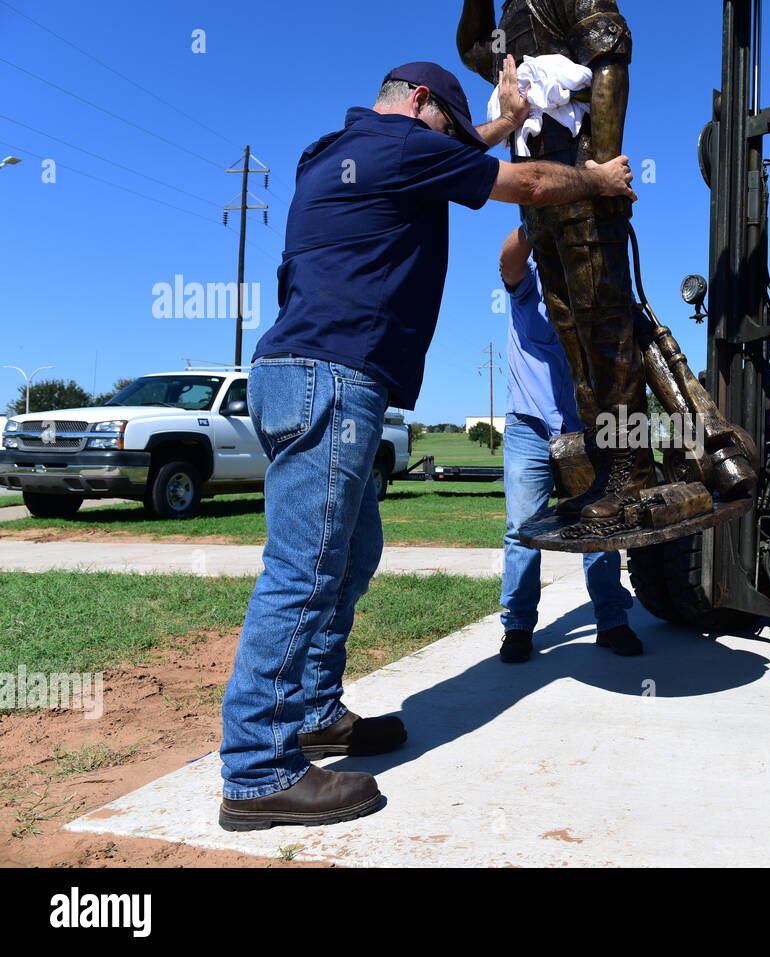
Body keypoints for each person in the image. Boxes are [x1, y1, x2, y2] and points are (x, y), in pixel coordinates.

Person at [218, 57, 638, 832]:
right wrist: (601, 182)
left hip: (299, 372)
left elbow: (454, 149)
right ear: (417, 103)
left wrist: (505, 124)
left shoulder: (337, 150)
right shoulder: (402, 147)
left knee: (351, 552)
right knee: (305, 570)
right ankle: (256, 769)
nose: (452, 138)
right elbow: (533, 187)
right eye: (446, 121)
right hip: (334, 377)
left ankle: (314, 711)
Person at [458, 0, 657, 523]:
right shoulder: (511, 15)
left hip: (583, 182)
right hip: (540, 198)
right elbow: (472, 49)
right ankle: (601, 472)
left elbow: (611, 59)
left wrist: (603, 169)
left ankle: (630, 475)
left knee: (607, 333)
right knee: (572, 335)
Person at [496, 226, 639, 663]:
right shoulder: (528, 284)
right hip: (530, 424)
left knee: (601, 525)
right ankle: (518, 627)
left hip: (588, 428)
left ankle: (612, 621)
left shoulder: (600, 290)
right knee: (523, 529)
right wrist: (539, 218)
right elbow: (509, 261)